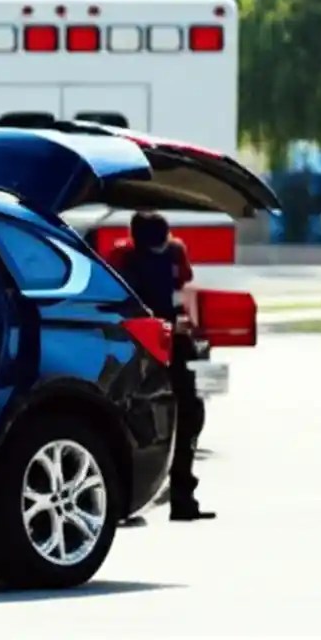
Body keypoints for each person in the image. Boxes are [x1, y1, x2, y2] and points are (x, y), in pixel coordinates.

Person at [106, 211, 216, 522]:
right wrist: (166, 323)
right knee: (138, 420)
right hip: (143, 346)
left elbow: (181, 294)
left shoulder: (173, 254)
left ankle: (182, 498)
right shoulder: (124, 260)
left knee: (189, 416)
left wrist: (185, 325)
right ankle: (130, 498)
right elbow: (130, 307)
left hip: (171, 346)